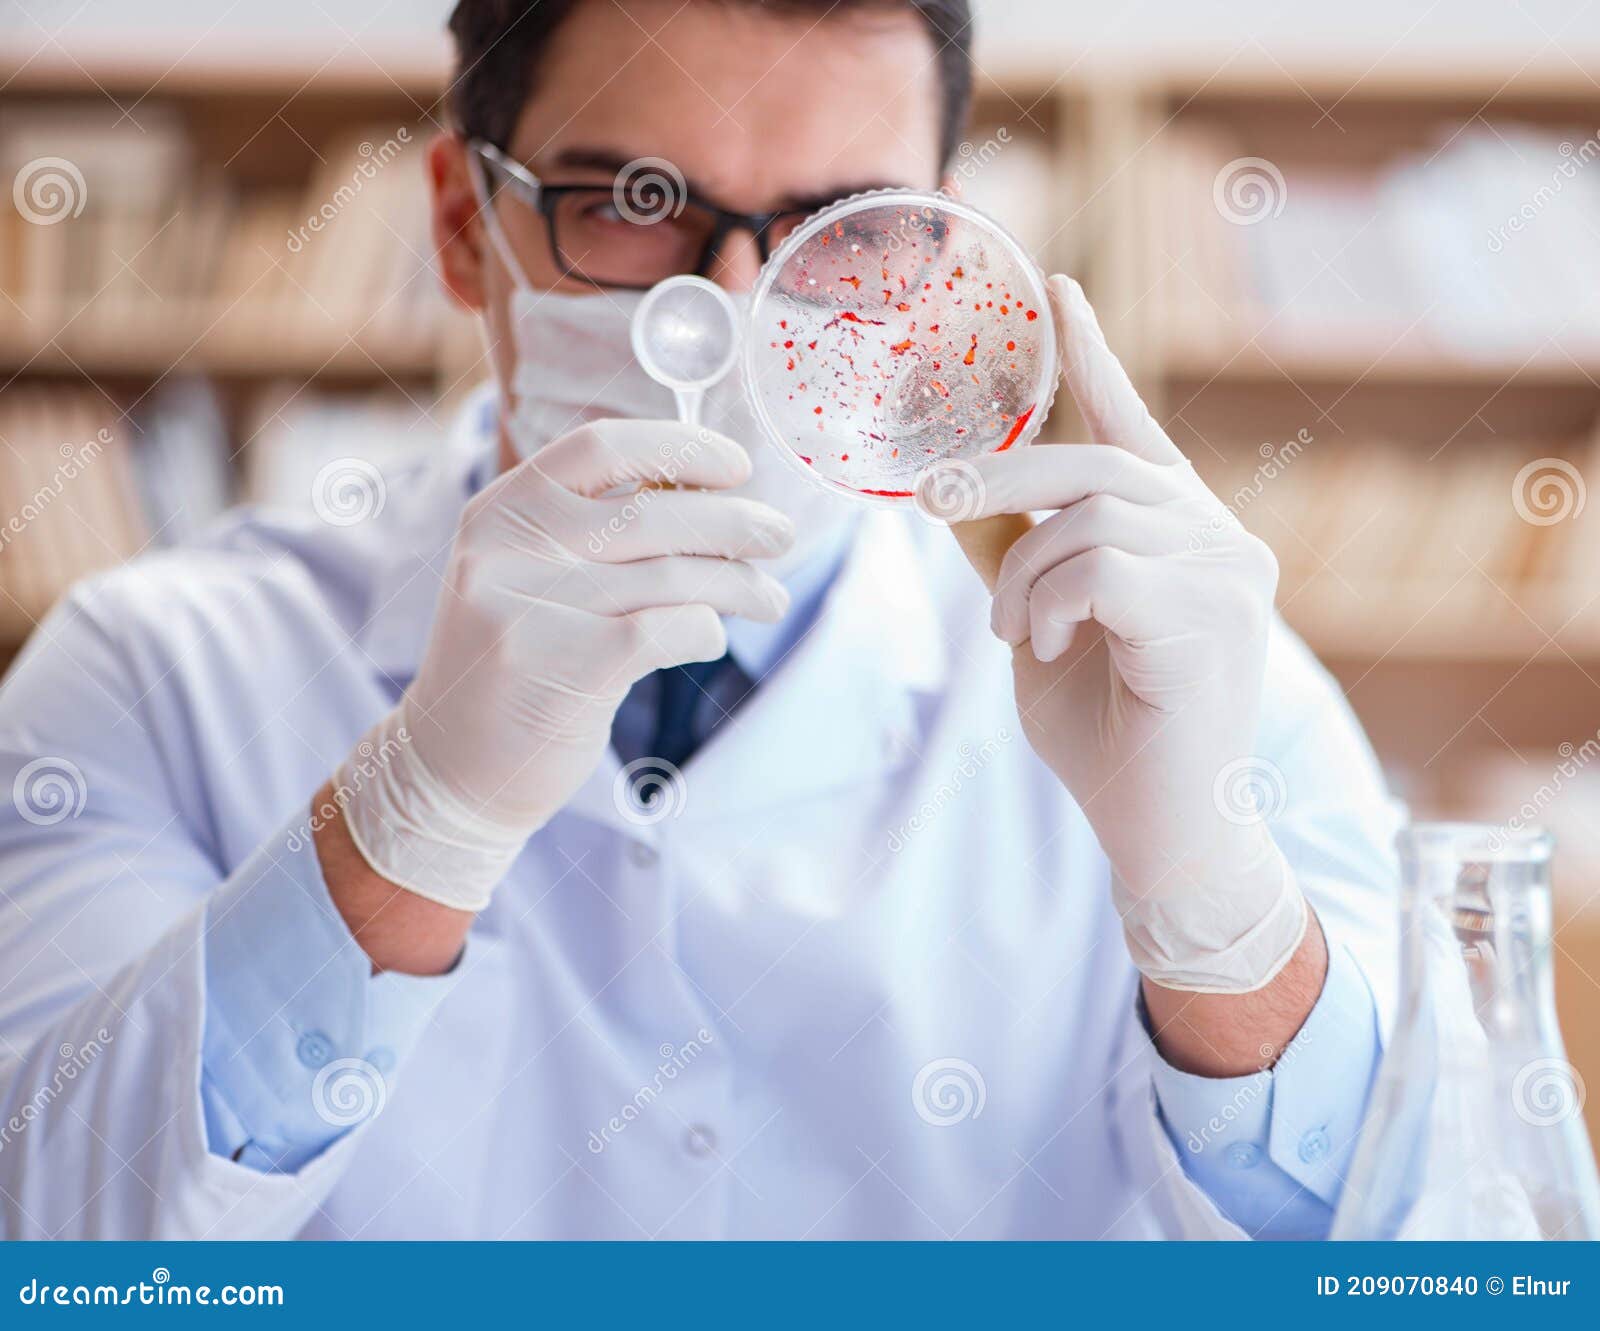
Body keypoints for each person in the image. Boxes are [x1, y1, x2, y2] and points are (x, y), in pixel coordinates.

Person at [0, 0, 1397, 1240]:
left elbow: (1432, 1258)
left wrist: (1210, 906)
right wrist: (412, 815)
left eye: (837, 228)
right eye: (632, 202)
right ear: (458, 226)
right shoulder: (146, 673)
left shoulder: (1204, 696)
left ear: (929, 262)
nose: (739, 310)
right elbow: (56, 1244)